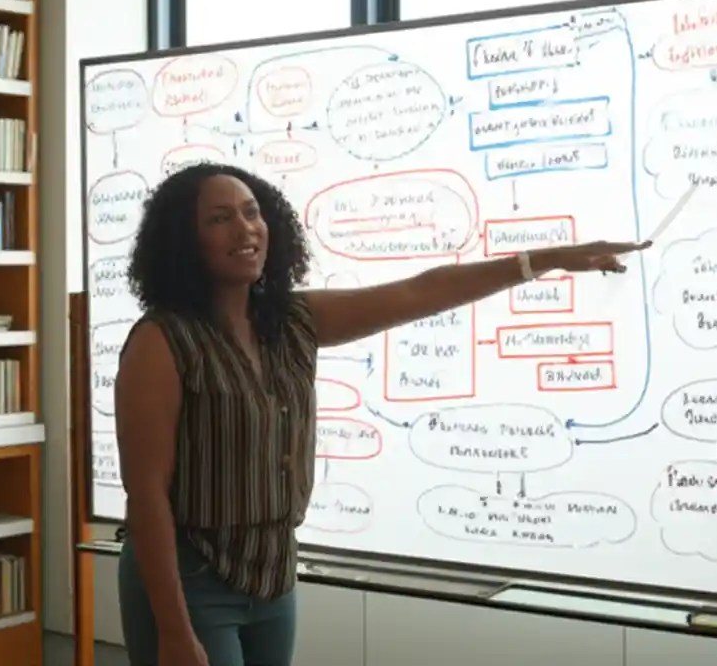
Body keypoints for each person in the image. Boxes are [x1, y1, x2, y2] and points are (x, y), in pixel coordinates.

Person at [112, 162, 650, 666]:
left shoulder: (293, 320)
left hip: (273, 577)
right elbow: (147, 495)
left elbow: (421, 291)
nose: (244, 229)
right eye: (220, 218)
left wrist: (547, 260)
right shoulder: (163, 341)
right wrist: (174, 628)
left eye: (252, 212)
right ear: (185, 241)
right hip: (189, 581)